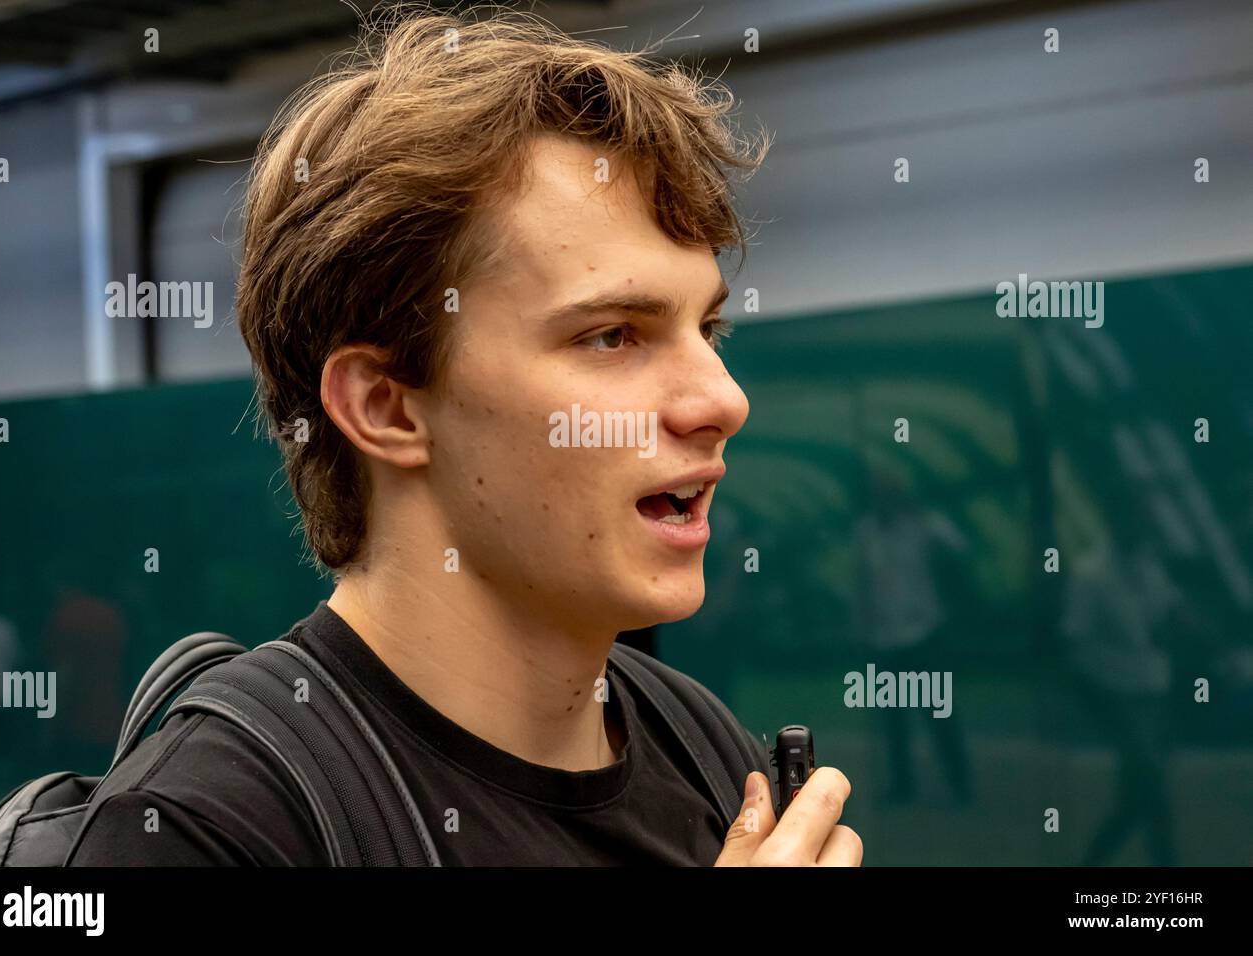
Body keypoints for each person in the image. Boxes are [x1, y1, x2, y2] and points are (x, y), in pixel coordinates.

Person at [66, 4, 861, 867]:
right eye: (612, 335)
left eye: (708, 330)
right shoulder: (213, 828)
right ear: (388, 408)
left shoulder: (706, 751)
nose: (722, 399)